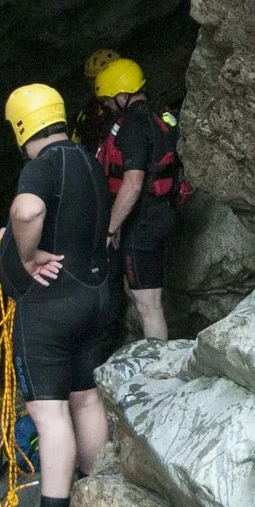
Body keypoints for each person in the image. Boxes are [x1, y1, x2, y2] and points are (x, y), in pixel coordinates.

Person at [0, 82, 120, 507]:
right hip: (97, 298)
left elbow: (27, 210)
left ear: (22, 126)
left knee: (50, 415)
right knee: (85, 399)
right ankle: (99, 500)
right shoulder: (89, 160)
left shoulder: (42, 166)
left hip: (51, 308)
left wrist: (26, 257)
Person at [91, 57, 187, 341]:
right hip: (162, 212)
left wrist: (111, 227)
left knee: (149, 304)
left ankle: (158, 369)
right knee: (139, 293)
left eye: (109, 101)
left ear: (122, 95)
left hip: (145, 221)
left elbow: (133, 184)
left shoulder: (132, 127)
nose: (108, 107)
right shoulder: (163, 117)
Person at [74, 48, 121, 151]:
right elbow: (76, 140)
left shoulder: (125, 103)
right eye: (92, 80)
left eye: (99, 78)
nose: (95, 84)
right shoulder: (88, 111)